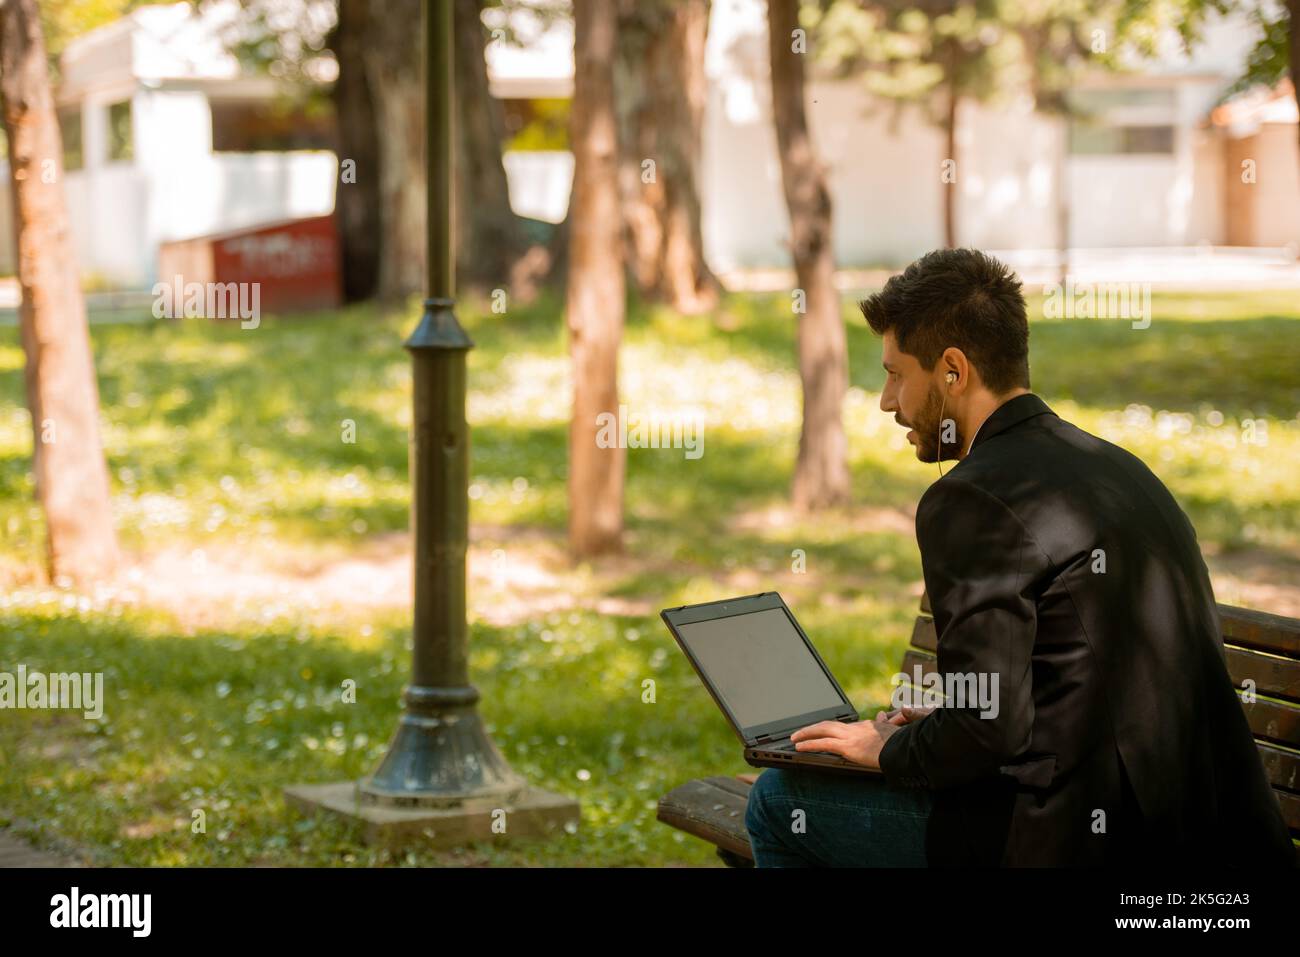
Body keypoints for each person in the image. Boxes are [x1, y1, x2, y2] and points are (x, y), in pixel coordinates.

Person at [744, 248, 1295, 867]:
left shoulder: (971, 498)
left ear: (953, 370)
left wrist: (888, 748)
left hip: (1078, 843)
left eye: (896, 374)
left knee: (775, 801)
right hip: (1214, 839)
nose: (887, 401)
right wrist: (943, 720)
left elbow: (989, 731)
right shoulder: (1120, 469)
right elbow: (1062, 686)